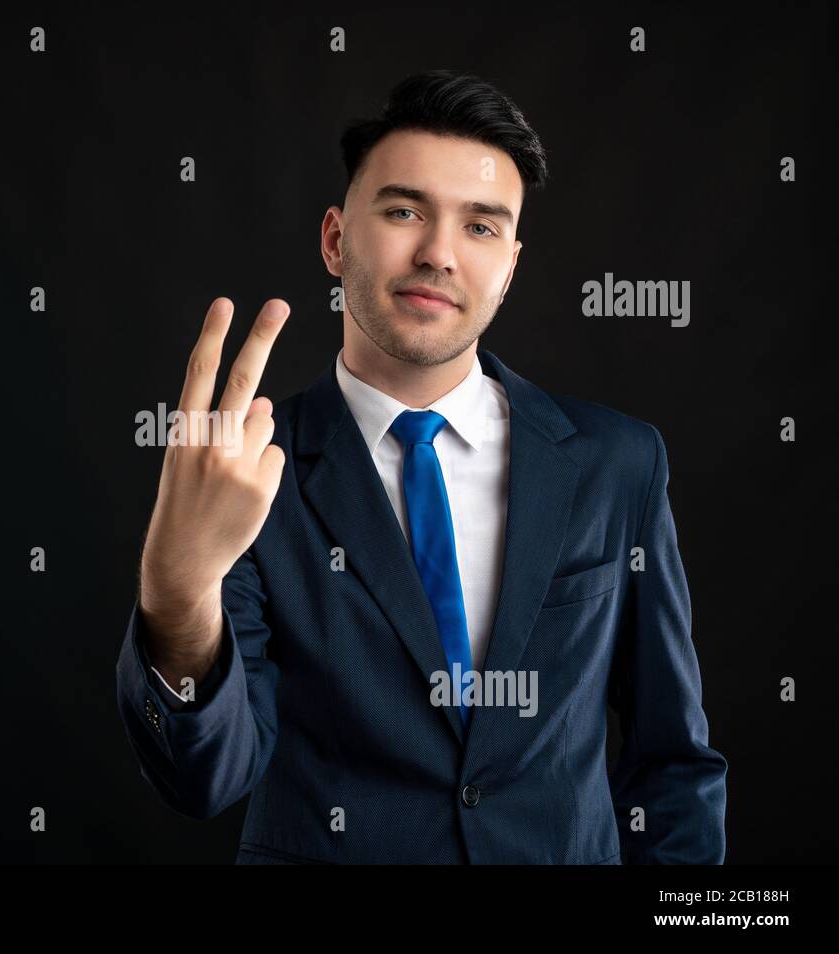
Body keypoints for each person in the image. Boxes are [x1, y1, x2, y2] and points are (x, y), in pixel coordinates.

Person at [114, 69, 727, 864]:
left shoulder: (619, 463)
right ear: (336, 239)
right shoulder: (245, 467)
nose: (438, 254)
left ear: (509, 265)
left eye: (480, 227)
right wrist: (176, 594)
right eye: (404, 211)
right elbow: (207, 778)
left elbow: (674, 762)